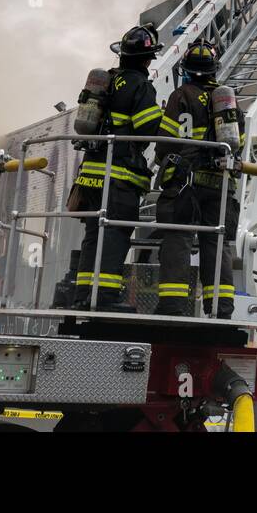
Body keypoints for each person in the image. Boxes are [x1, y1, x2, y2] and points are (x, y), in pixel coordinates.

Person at [70, 24, 163, 311]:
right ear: (146, 59)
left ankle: (84, 294)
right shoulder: (141, 85)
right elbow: (146, 128)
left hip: (91, 175)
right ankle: (106, 296)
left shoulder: (108, 80)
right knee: (115, 234)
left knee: (94, 233)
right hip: (120, 175)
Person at [154, 43, 240, 318]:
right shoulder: (227, 102)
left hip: (185, 183)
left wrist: (163, 160)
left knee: (178, 239)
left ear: (187, 70)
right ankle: (221, 306)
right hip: (219, 185)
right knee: (216, 242)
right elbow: (238, 144)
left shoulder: (182, 95)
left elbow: (166, 141)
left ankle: (173, 305)